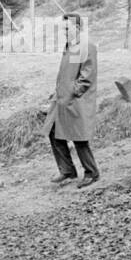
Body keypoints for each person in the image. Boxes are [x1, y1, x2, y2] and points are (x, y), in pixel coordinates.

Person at [46, 13, 100, 188]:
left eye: (67, 28)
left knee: (79, 137)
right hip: (62, 99)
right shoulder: (70, 46)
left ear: (78, 27)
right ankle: (67, 170)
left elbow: (86, 76)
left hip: (77, 100)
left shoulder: (86, 46)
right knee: (54, 131)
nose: (64, 32)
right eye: (64, 28)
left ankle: (91, 172)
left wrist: (73, 92)